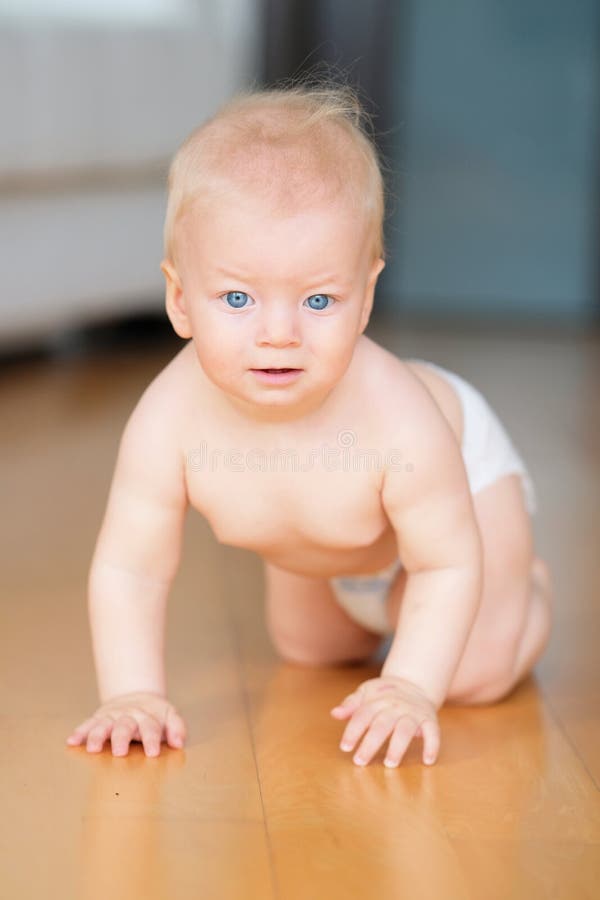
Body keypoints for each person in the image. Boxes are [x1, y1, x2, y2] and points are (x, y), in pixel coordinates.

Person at [66, 82, 553, 768]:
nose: (278, 335)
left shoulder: (399, 419)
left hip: (459, 493)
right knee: (313, 651)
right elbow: (130, 567)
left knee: (470, 674)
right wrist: (131, 693)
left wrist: (410, 686)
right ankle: (378, 603)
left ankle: (524, 588)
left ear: (365, 297)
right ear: (179, 299)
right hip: (329, 538)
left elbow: (446, 560)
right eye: (237, 298)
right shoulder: (166, 420)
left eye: (319, 299)